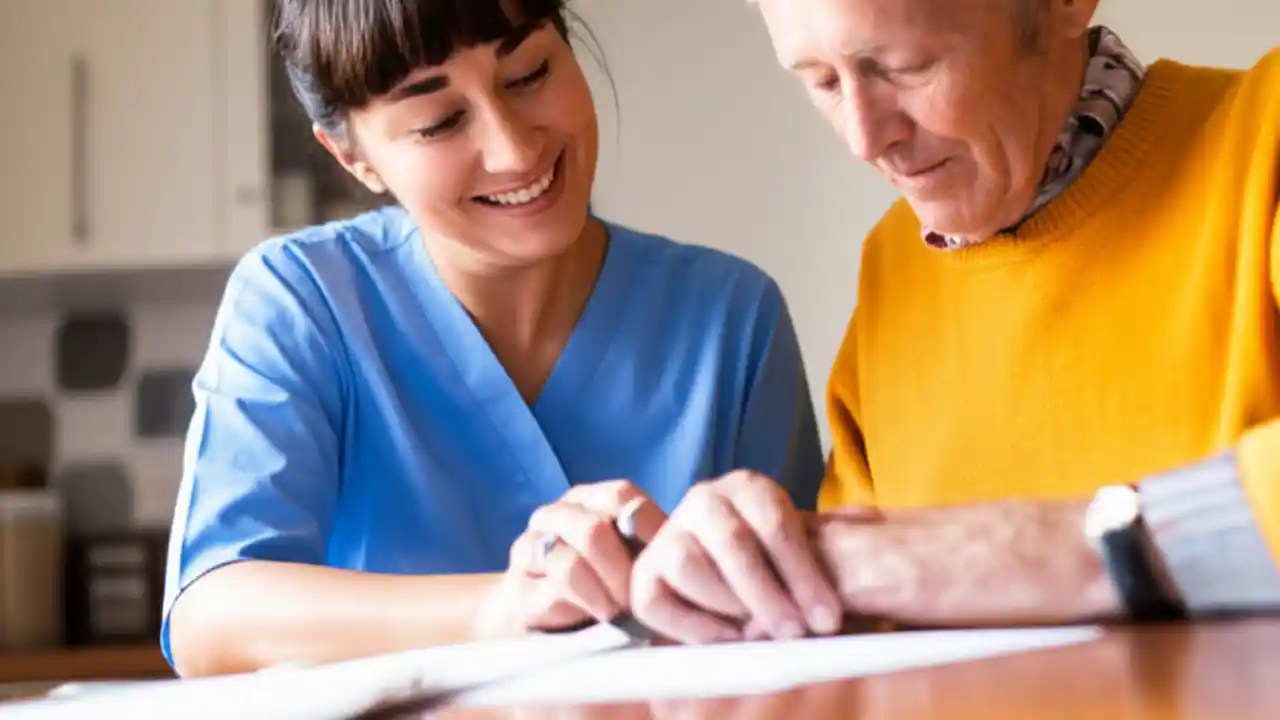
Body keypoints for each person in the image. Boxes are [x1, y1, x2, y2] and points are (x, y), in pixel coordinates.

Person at [162, 0, 838, 677]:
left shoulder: (730, 318)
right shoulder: (304, 301)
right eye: (439, 122)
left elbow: (797, 622)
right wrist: (505, 611)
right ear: (353, 156)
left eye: (529, 74)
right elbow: (211, 616)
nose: (515, 149)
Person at [623, 0, 1280, 642]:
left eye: (908, 66)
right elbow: (861, 632)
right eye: (820, 81)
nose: (863, 139)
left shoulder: (1264, 147)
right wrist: (750, 578)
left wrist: (1033, 551)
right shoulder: (890, 273)